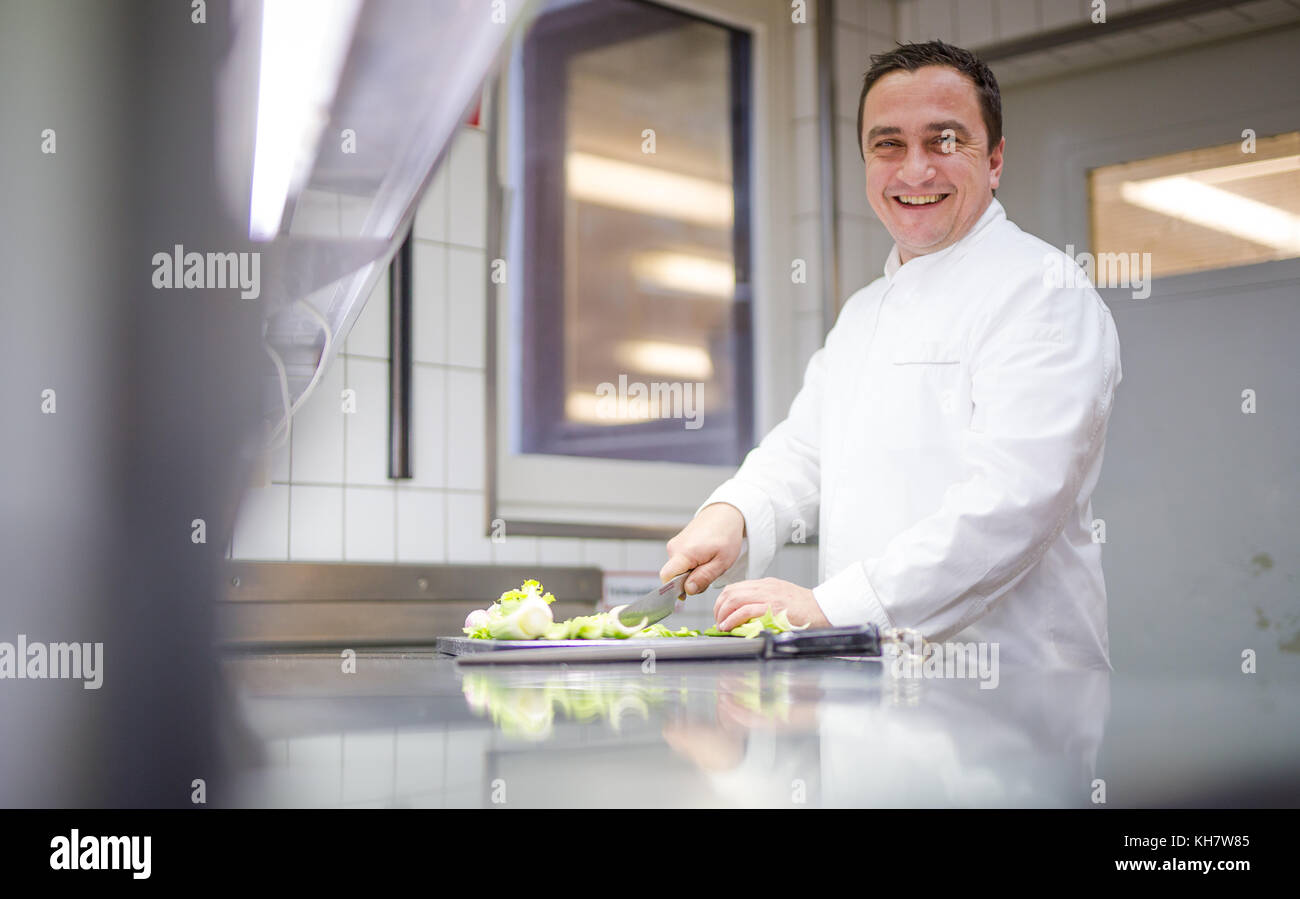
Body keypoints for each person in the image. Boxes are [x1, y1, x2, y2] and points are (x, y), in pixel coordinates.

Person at [660, 40, 1122, 669]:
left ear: (994, 161)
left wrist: (837, 607)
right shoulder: (864, 312)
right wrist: (734, 511)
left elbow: (1016, 500)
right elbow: (807, 449)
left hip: (1008, 703)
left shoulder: (1042, 290)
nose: (914, 171)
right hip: (869, 684)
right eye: (888, 145)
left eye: (945, 141)